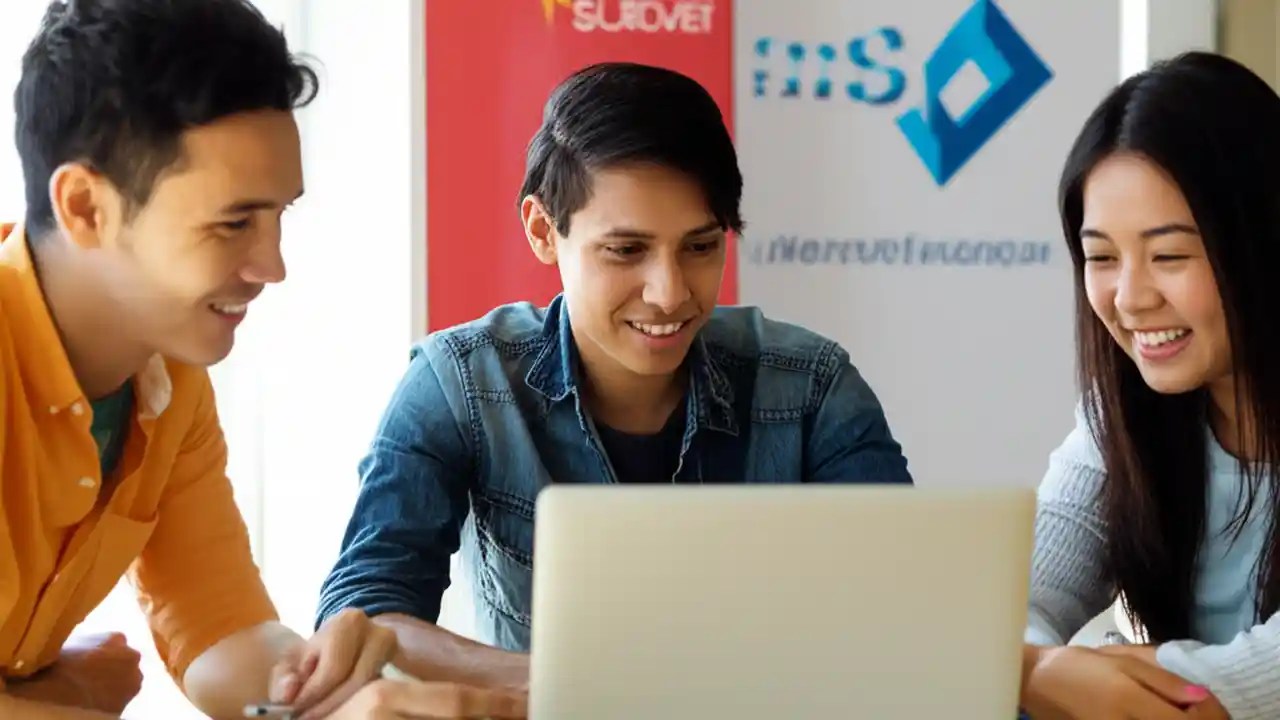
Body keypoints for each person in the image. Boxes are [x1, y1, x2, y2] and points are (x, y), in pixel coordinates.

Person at [315, 61, 913, 703]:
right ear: (544, 231)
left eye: (701, 247)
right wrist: (560, 686)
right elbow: (362, 619)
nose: (670, 293)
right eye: (626, 251)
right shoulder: (460, 382)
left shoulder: (811, 384)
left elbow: (915, 615)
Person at [0, 1, 521, 718]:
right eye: (234, 222)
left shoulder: (168, 380)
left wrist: (338, 687)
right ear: (87, 207)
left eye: (279, 217)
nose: (272, 266)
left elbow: (223, 635)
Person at [1018, 52, 1280, 720]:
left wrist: (1053, 676)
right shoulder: (1121, 416)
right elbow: (1018, 599)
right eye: (1101, 257)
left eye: (1169, 256)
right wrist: (1038, 664)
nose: (1129, 299)